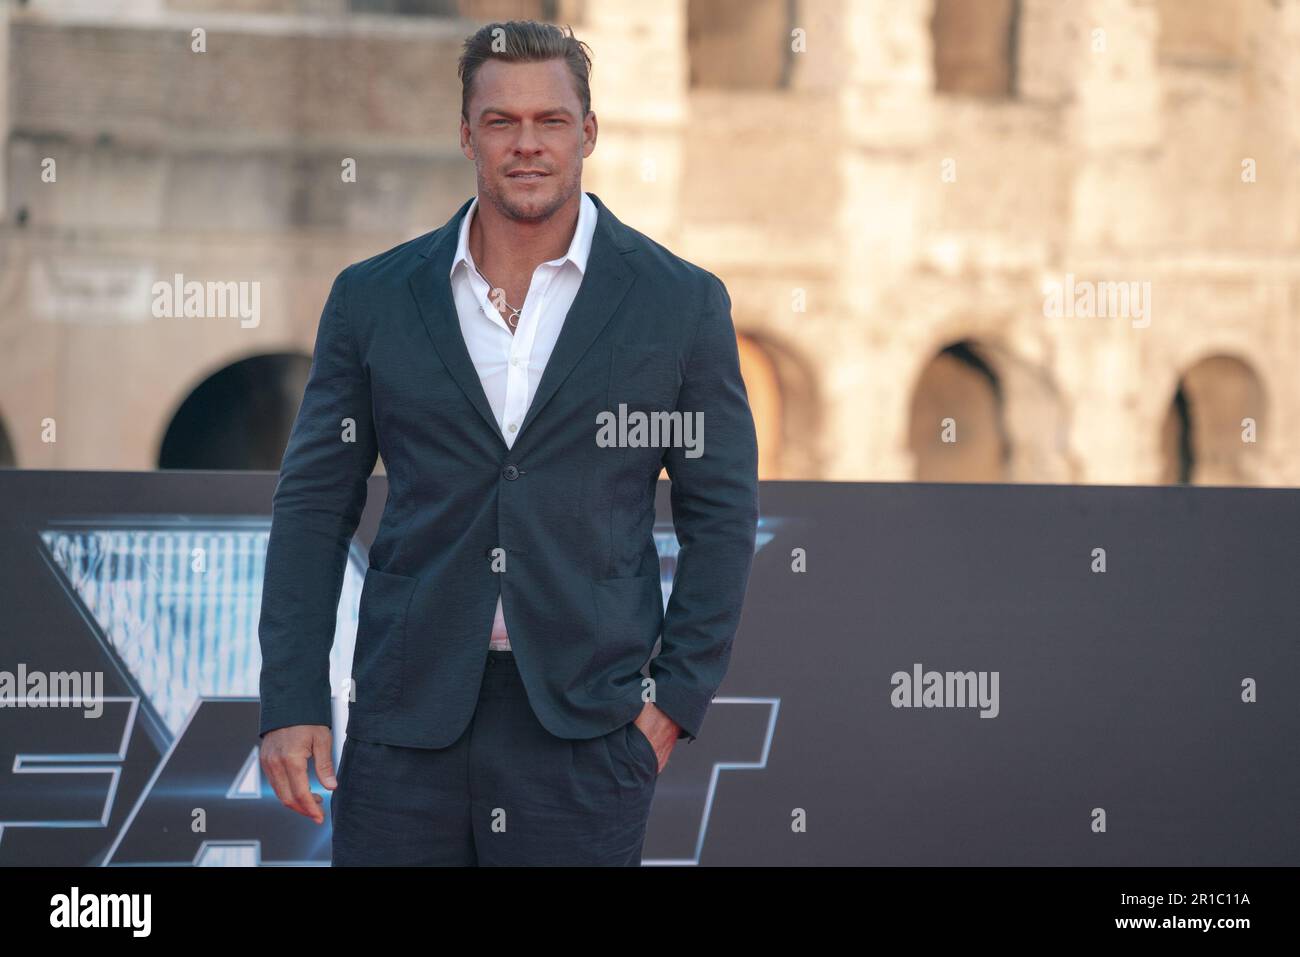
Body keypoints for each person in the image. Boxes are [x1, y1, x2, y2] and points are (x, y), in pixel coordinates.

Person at [257, 18, 759, 866]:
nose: (527, 145)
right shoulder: (372, 299)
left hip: (587, 732)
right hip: (404, 723)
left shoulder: (679, 304)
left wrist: (670, 701)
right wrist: (291, 695)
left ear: (587, 133)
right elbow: (313, 503)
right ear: (466, 135)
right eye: (501, 122)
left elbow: (723, 510)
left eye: (550, 121)